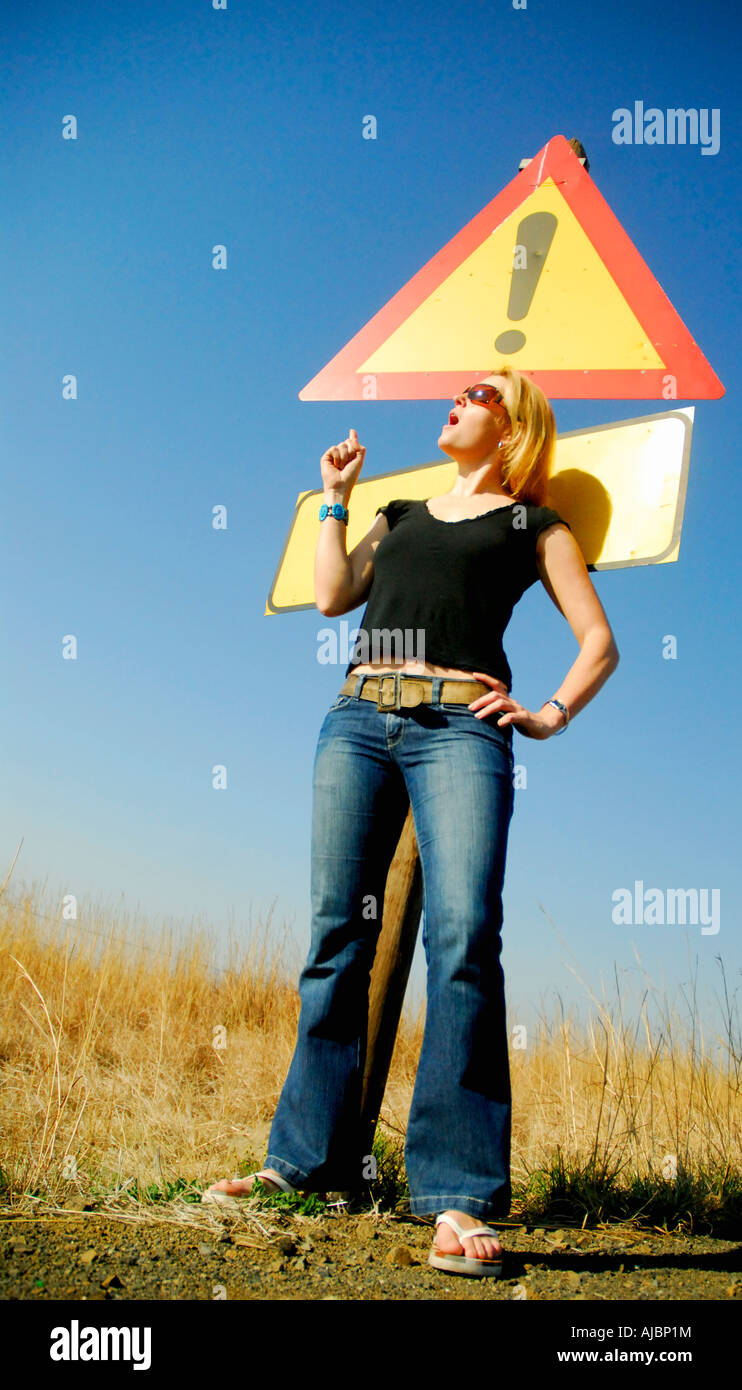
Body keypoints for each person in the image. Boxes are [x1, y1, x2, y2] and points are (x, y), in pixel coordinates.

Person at [204, 365, 619, 1277]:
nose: (459, 398)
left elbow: (600, 641)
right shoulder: (401, 515)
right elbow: (330, 597)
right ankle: (304, 1164)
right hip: (355, 719)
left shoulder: (531, 525)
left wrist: (548, 713)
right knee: (333, 938)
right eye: (463, 388)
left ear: (511, 430)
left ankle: (457, 1191)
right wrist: (336, 500)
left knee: (465, 937)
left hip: (458, 730)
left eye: (479, 394)